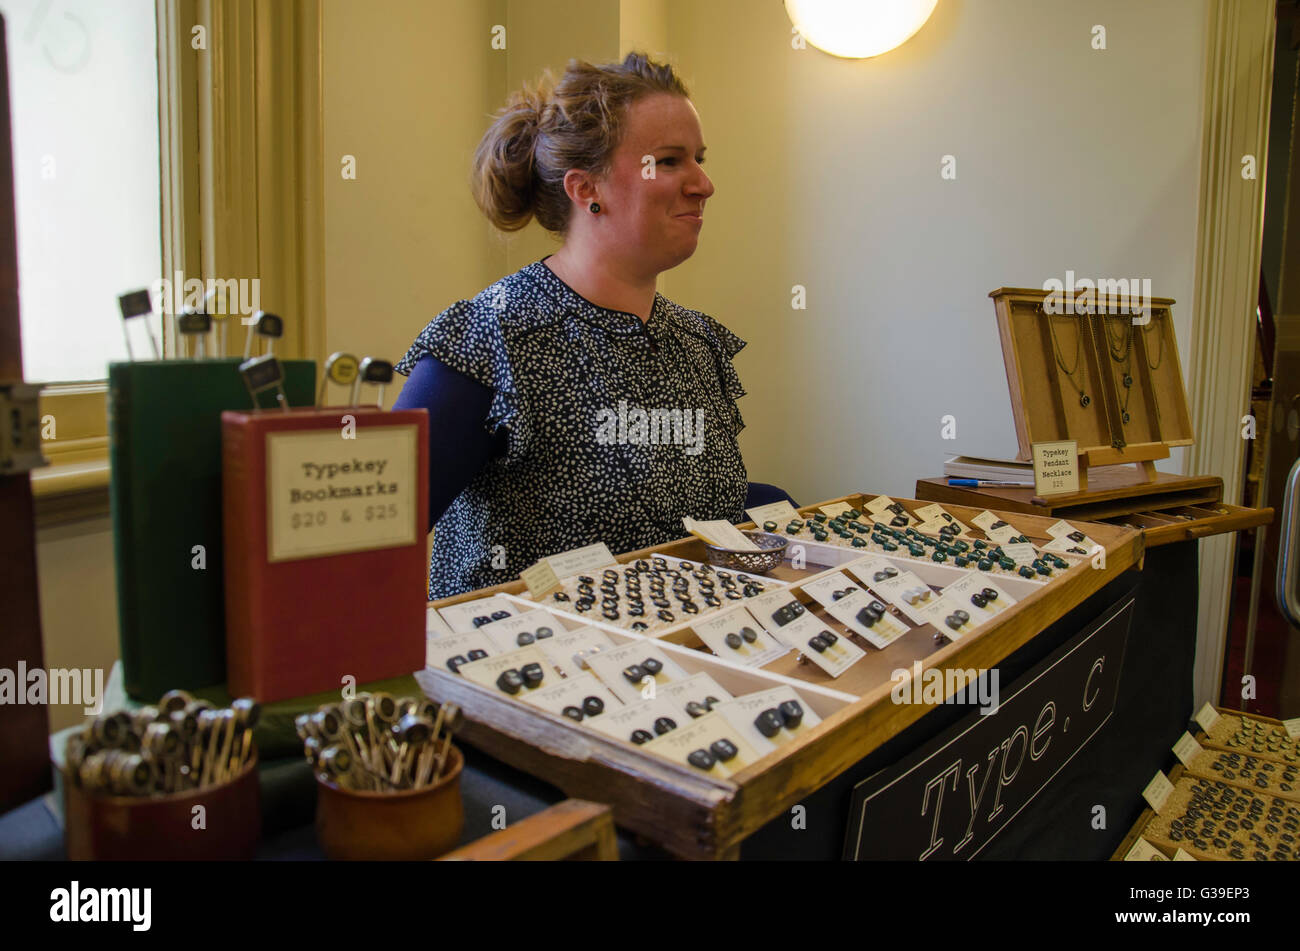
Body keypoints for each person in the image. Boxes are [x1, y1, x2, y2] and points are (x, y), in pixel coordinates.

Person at [394, 51, 779, 600]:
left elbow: (697, 514)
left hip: (696, 661)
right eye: (669, 161)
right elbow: (368, 541)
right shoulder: (493, 339)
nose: (704, 184)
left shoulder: (698, 345)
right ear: (585, 189)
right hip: (528, 673)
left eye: (699, 158)